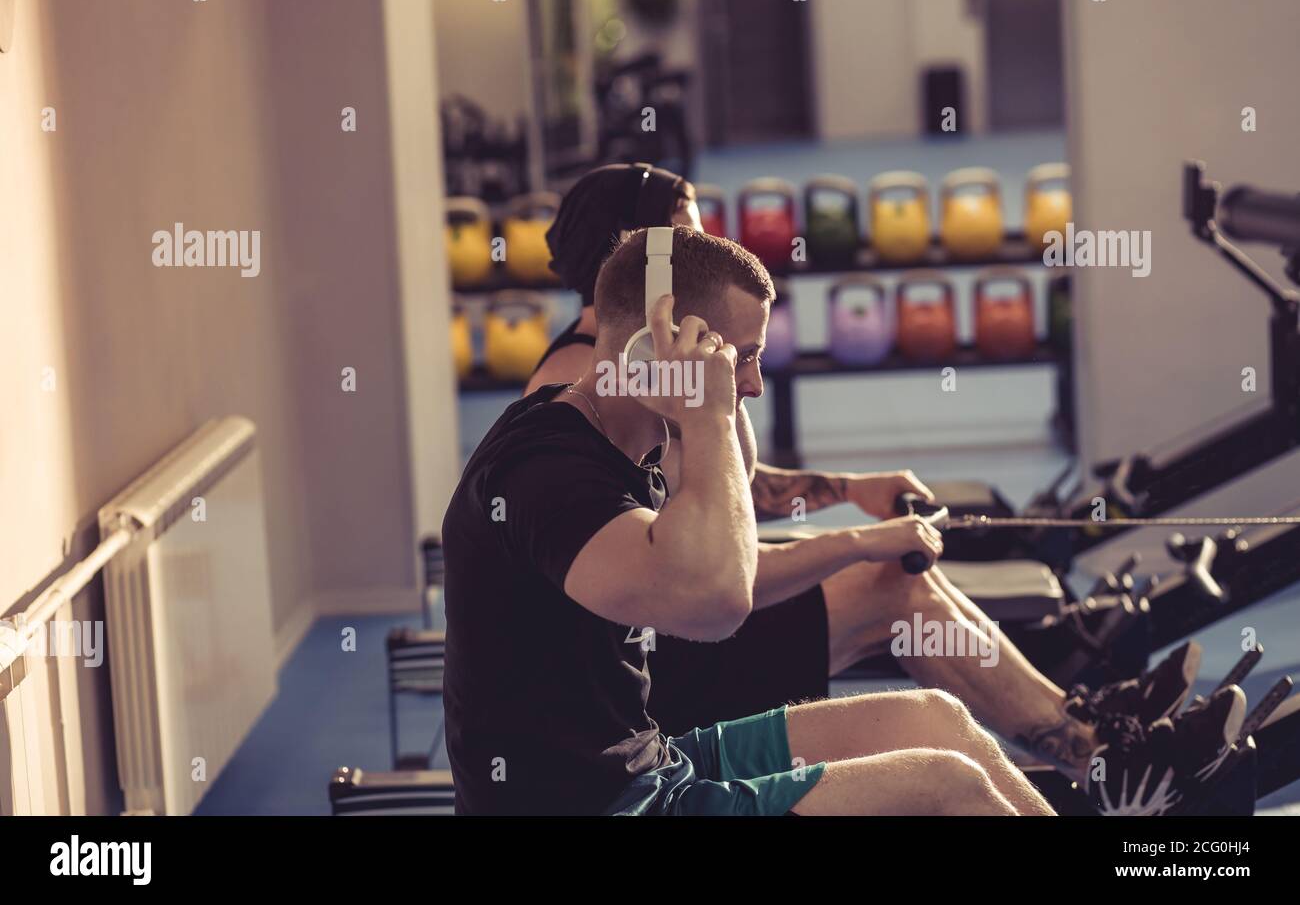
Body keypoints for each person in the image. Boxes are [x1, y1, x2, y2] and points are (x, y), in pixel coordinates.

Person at [443, 226, 1243, 815]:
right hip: (595, 807)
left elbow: (738, 528)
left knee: (935, 718)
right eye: (741, 358)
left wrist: (708, 415)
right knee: (946, 789)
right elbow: (719, 604)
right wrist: (709, 413)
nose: (750, 385)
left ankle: (1108, 771)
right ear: (657, 349)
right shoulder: (544, 468)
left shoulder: (630, 434)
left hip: (649, 764)